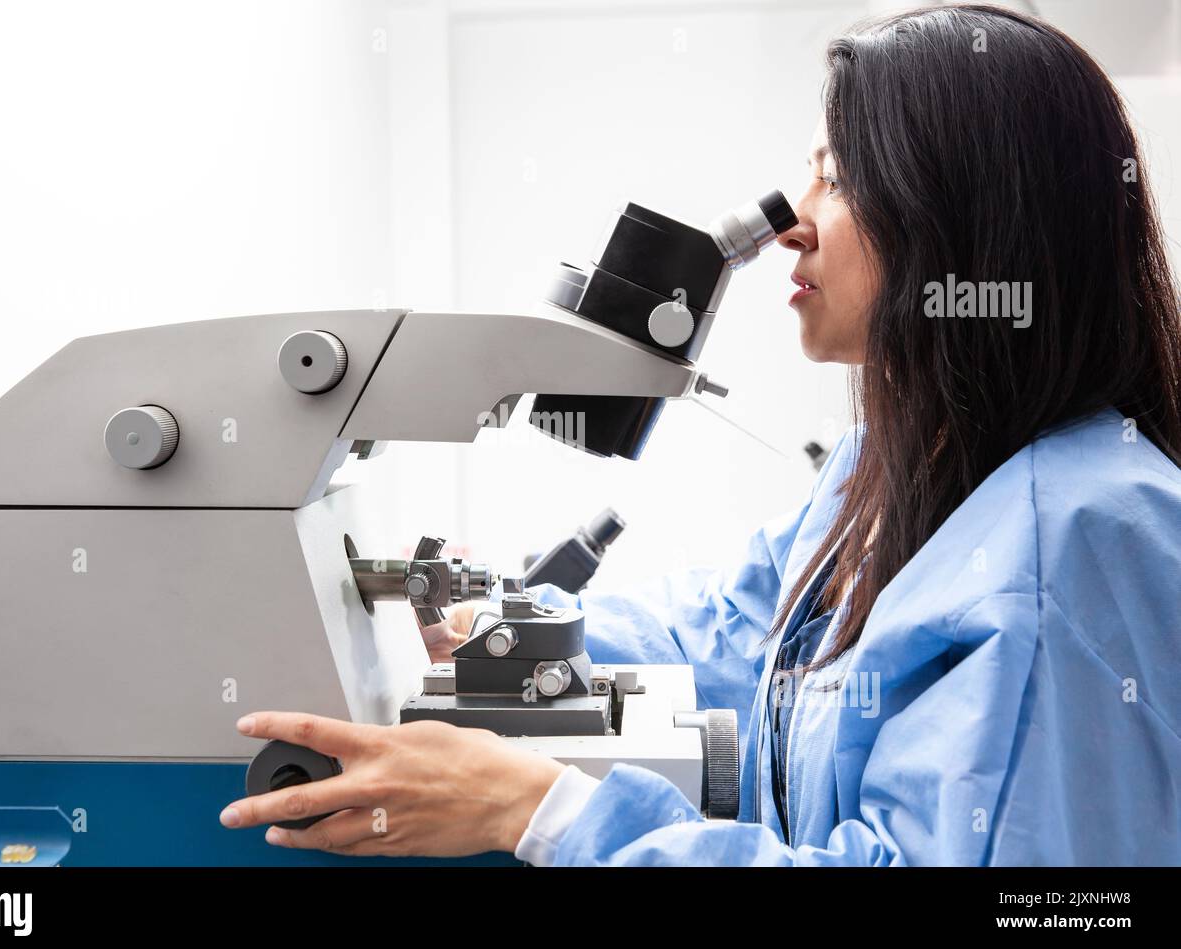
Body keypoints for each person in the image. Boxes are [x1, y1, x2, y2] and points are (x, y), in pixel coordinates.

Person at [218, 4, 1181, 865]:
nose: (791, 228)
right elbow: (740, 627)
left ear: (959, 222)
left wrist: (536, 811)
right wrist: (514, 625)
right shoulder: (892, 469)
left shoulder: (1080, 537)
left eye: (836, 182)